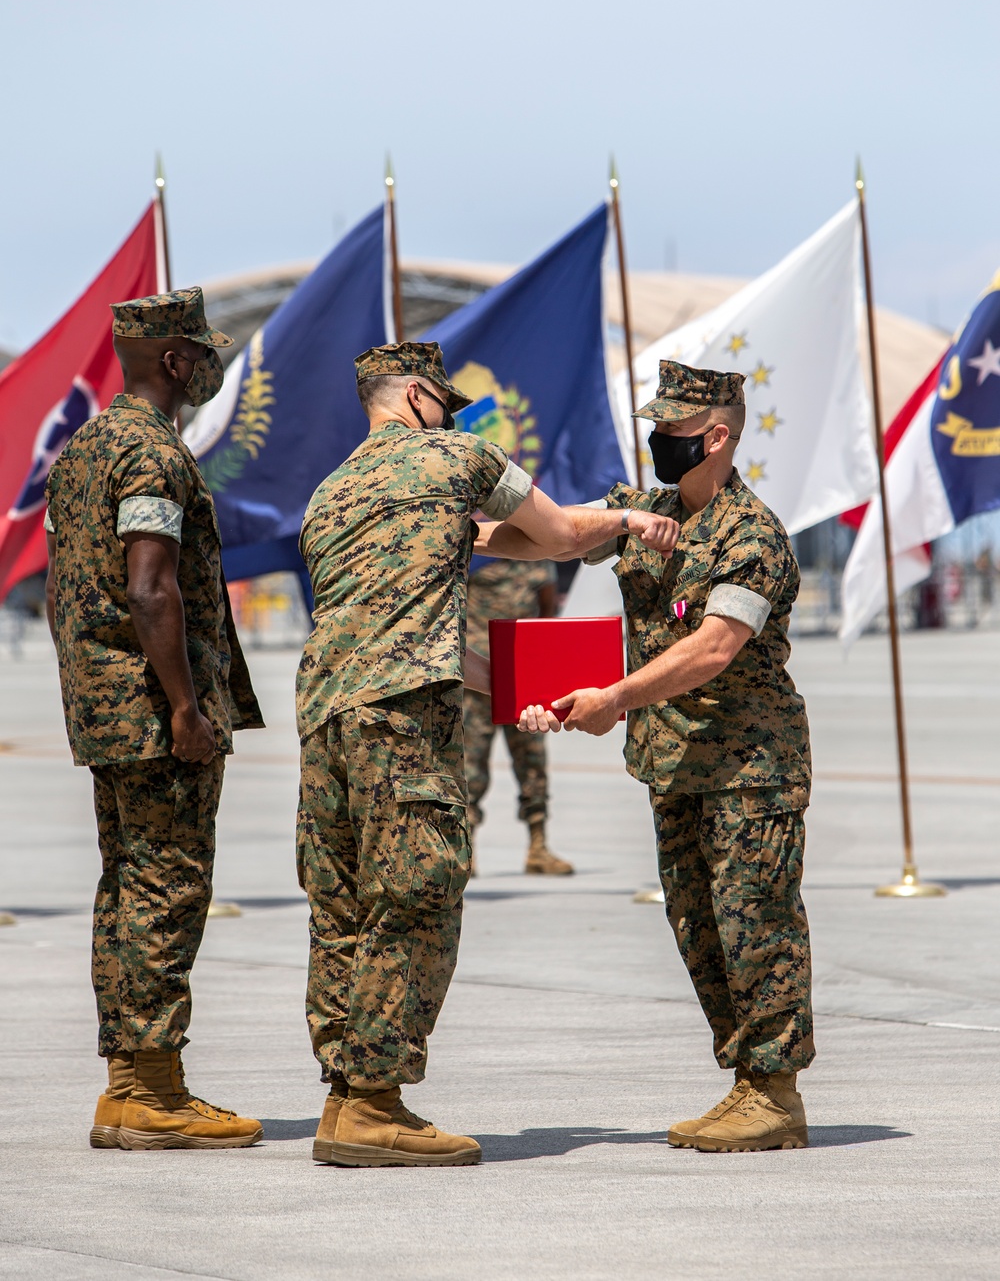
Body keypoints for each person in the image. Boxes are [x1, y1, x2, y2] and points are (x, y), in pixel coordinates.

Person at [296, 341, 679, 1168]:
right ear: (421, 396)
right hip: (400, 725)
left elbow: (406, 635)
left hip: (327, 716)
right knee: (419, 894)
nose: (455, 416)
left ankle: (342, 1097)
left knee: (346, 907)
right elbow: (560, 534)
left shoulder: (331, 495)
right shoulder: (457, 457)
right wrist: (626, 520)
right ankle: (374, 1102)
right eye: (448, 402)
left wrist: (512, 692)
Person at [519, 361, 815, 1153]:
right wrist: (464, 533)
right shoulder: (642, 511)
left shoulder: (753, 536)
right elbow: (550, 535)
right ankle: (746, 1080)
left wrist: (612, 697)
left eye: (673, 430)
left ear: (715, 437)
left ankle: (775, 1090)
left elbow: (714, 648)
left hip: (749, 768)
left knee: (757, 925)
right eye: (653, 427)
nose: (656, 441)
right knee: (699, 928)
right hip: (673, 763)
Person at [44, 287, 265, 1152]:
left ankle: (129, 1084)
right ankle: (155, 1090)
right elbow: (150, 586)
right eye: (203, 352)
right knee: (167, 888)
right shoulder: (151, 456)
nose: (212, 366)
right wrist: (183, 706)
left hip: (104, 708)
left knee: (126, 888)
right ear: (174, 360)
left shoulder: (85, 449)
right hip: (151, 710)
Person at [464, 557, 574, 875]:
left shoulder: (537, 552)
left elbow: (548, 609)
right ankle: (466, 849)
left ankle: (538, 846)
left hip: (525, 673)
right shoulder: (475, 549)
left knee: (533, 761)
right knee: (470, 763)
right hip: (478, 673)